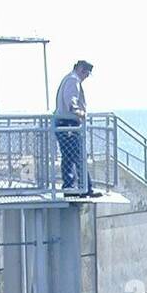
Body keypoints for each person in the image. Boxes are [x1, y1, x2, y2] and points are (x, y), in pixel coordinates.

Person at [52, 59, 96, 196]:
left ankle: (79, 188)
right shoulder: (73, 80)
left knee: (71, 156)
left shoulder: (70, 78)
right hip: (68, 123)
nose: (86, 78)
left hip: (64, 122)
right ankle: (79, 188)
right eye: (87, 74)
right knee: (76, 155)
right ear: (82, 70)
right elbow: (71, 103)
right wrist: (80, 114)